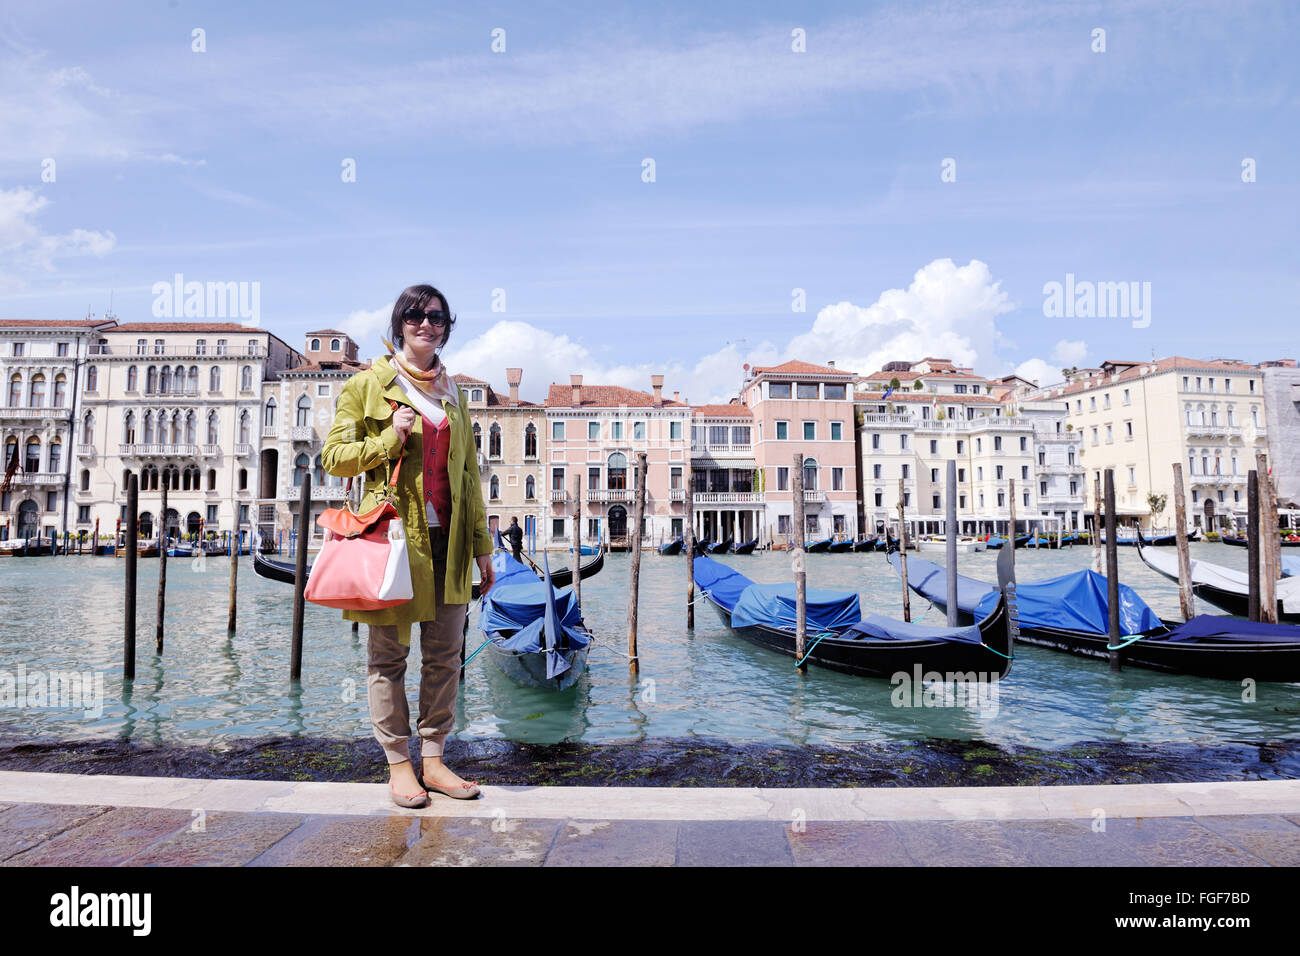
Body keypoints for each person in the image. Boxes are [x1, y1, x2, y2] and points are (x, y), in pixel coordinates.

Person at [321, 284, 495, 808]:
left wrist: (483, 546)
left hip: (451, 541)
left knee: (445, 656)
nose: (427, 324)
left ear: (447, 325)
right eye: (416, 315)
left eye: (437, 316)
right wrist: (388, 441)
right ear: (400, 322)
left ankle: (435, 761)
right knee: (388, 657)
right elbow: (334, 457)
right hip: (395, 539)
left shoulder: (454, 393)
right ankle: (399, 765)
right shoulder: (369, 385)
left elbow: (467, 477)